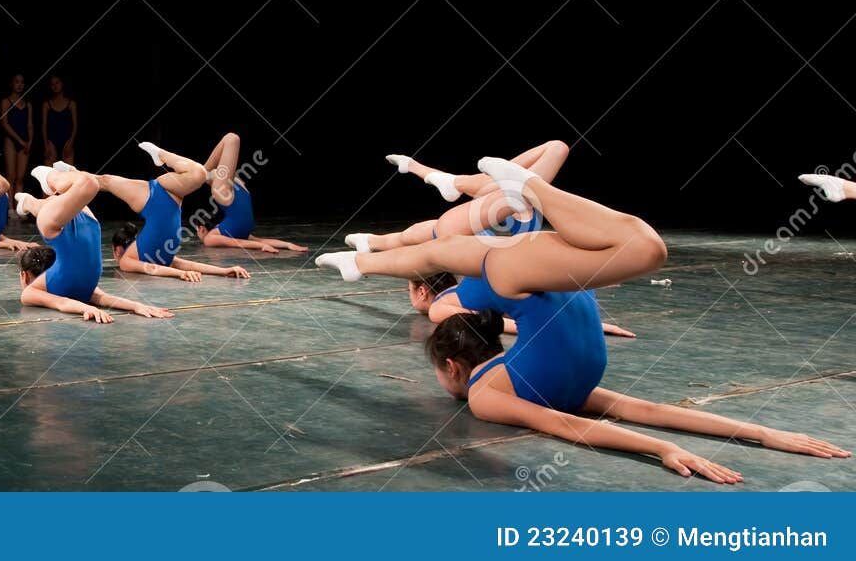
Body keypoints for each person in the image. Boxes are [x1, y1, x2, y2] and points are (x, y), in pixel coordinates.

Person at [318, 157, 850, 482]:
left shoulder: (498, 385)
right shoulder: (530, 385)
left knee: (642, 248)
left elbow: (580, 426)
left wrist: (662, 448)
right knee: (641, 246)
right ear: (456, 362)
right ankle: (368, 258)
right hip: (522, 276)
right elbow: (630, 412)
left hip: (509, 276)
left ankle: (370, 257)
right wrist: (760, 431)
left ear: (455, 364)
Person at [346, 141, 571, 253]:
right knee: (407, 236)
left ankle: (447, 179)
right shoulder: (510, 193)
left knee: (409, 236)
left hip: (478, 236)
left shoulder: (508, 196)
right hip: (479, 224)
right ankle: (368, 240)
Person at [12, 168, 173, 322]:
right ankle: (35, 196)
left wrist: (85, 309)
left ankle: (48, 181)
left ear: (24, 275)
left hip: (55, 231)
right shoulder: (79, 289)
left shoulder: (29, 293)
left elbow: (62, 304)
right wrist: (136, 306)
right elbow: (103, 298)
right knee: (81, 187)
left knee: (88, 184)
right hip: (89, 226)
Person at [92, 142, 250, 282]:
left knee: (104, 181)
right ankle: (160, 155)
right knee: (199, 174)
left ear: (117, 250)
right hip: (169, 198)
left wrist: (178, 274)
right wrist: (223, 271)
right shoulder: (161, 255)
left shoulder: (127, 260)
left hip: (151, 200)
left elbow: (152, 269)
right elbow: (187, 264)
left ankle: (160, 155)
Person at [407, 270, 636, 338]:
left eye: (408, 290)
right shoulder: (463, 286)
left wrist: (591, 326)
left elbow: (497, 323)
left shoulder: (438, 309)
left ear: (422, 291)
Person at [194, 132, 308, 254]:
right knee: (231, 140)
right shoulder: (223, 235)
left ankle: (200, 172)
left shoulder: (216, 236)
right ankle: (200, 173)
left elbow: (246, 243)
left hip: (233, 195)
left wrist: (261, 246)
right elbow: (257, 241)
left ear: (201, 228)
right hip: (235, 193)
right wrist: (287, 244)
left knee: (230, 140)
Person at [0, 73, 34, 191]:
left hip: (24, 141)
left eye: (22, 82)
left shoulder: (27, 104)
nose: (19, 85)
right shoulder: (6, 102)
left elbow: (29, 124)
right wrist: (19, 140)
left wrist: (29, 141)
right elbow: (5, 124)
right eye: (17, 82)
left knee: (20, 177)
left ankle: (18, 206)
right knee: (11, 176)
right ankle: (10, 207)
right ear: (11, 84)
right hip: (11, 140)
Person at [41, 75, 77, 165]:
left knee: (68, 177)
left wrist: (71, 142)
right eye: (52, 84)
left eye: (57, 82)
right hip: (51, 141)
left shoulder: (71, 104)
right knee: (48, 175)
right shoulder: (47, 104)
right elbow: (44, 126)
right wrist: (46, 146)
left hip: (67, 141)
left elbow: (75, 125)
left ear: (62, 84)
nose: (55, 86)